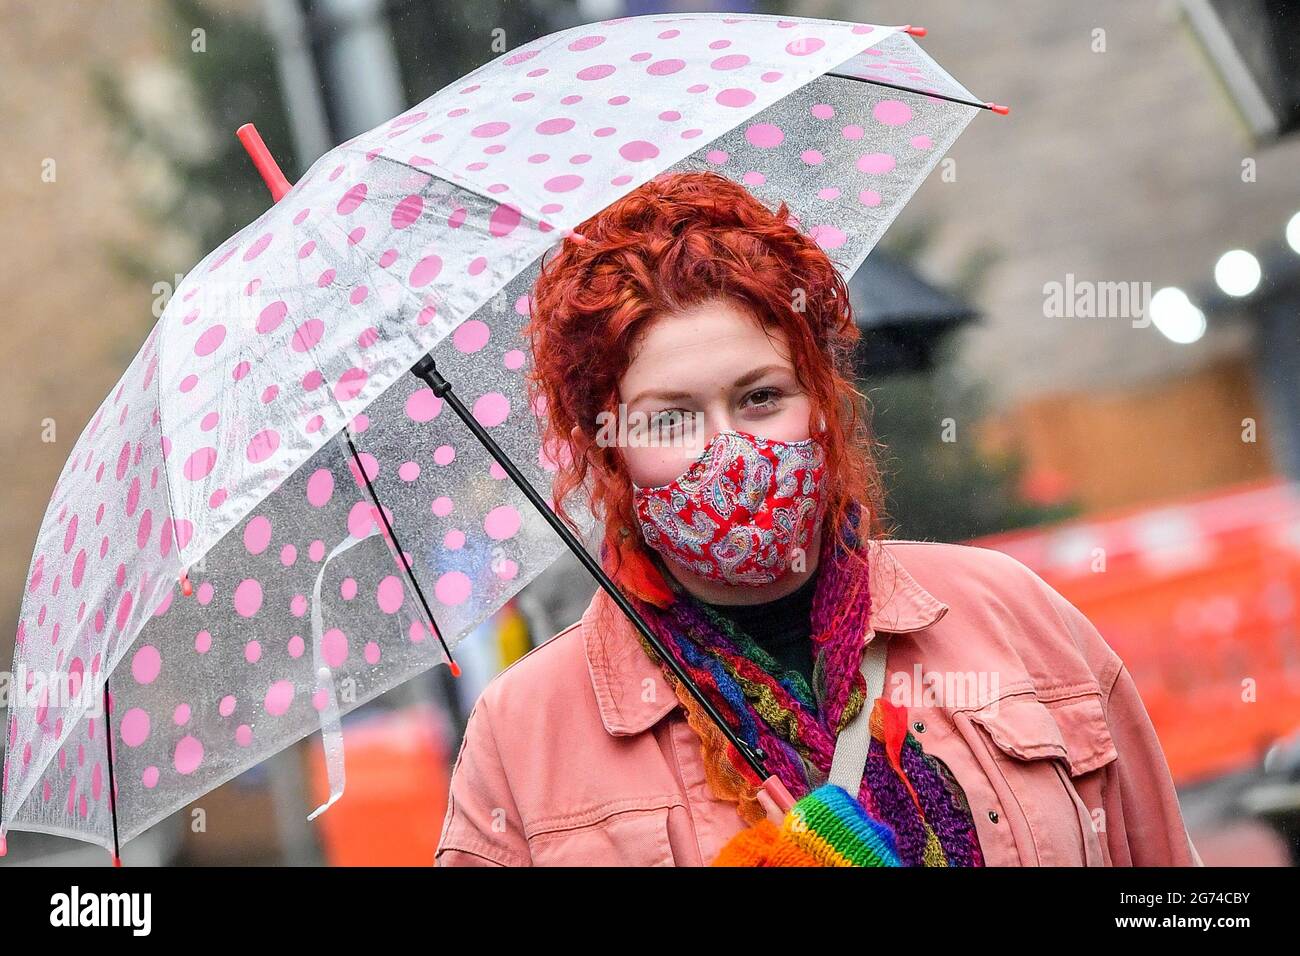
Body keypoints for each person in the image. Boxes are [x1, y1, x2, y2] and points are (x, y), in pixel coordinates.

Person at [434, 170, 1202, 867]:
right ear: (608, 451)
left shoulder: (1012, 614)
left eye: (761, 397)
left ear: (823, 404)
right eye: (671, 420)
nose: (729, 451)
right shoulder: (527, 733)